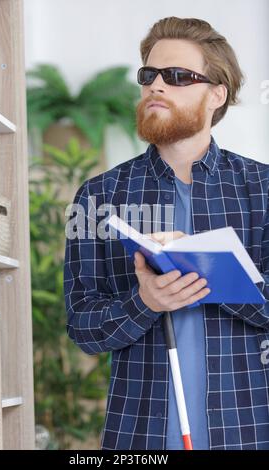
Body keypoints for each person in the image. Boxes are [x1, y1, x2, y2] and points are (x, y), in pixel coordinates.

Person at [64, 17, 269, 450]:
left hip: (248, 428)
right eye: (148, 75)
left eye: (177, 77)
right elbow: (82, 326)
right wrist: (146, 302)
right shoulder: (99, 195)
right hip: (139, 436)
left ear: (217, 94)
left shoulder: (263, 189)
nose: (157, 86)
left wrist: (213, 273)